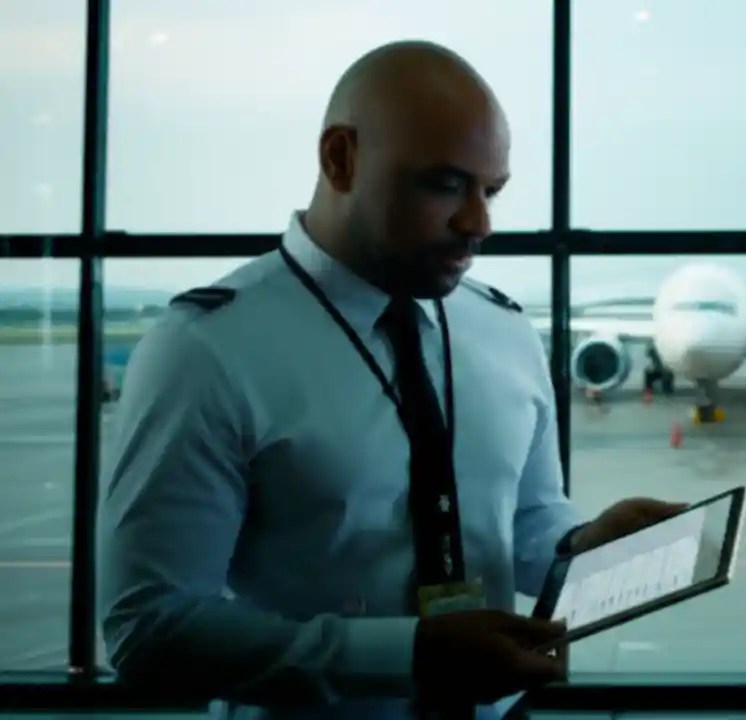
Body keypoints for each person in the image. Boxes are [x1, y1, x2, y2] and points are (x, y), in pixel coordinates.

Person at [96, 40, 684, 720]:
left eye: (490, 191)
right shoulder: (206, 352)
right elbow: (149, 632)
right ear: (340, 159)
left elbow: (520, 521)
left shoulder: (504, 331)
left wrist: (579, 547)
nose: (479, 224)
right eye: (444, 185)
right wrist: (407, 655)